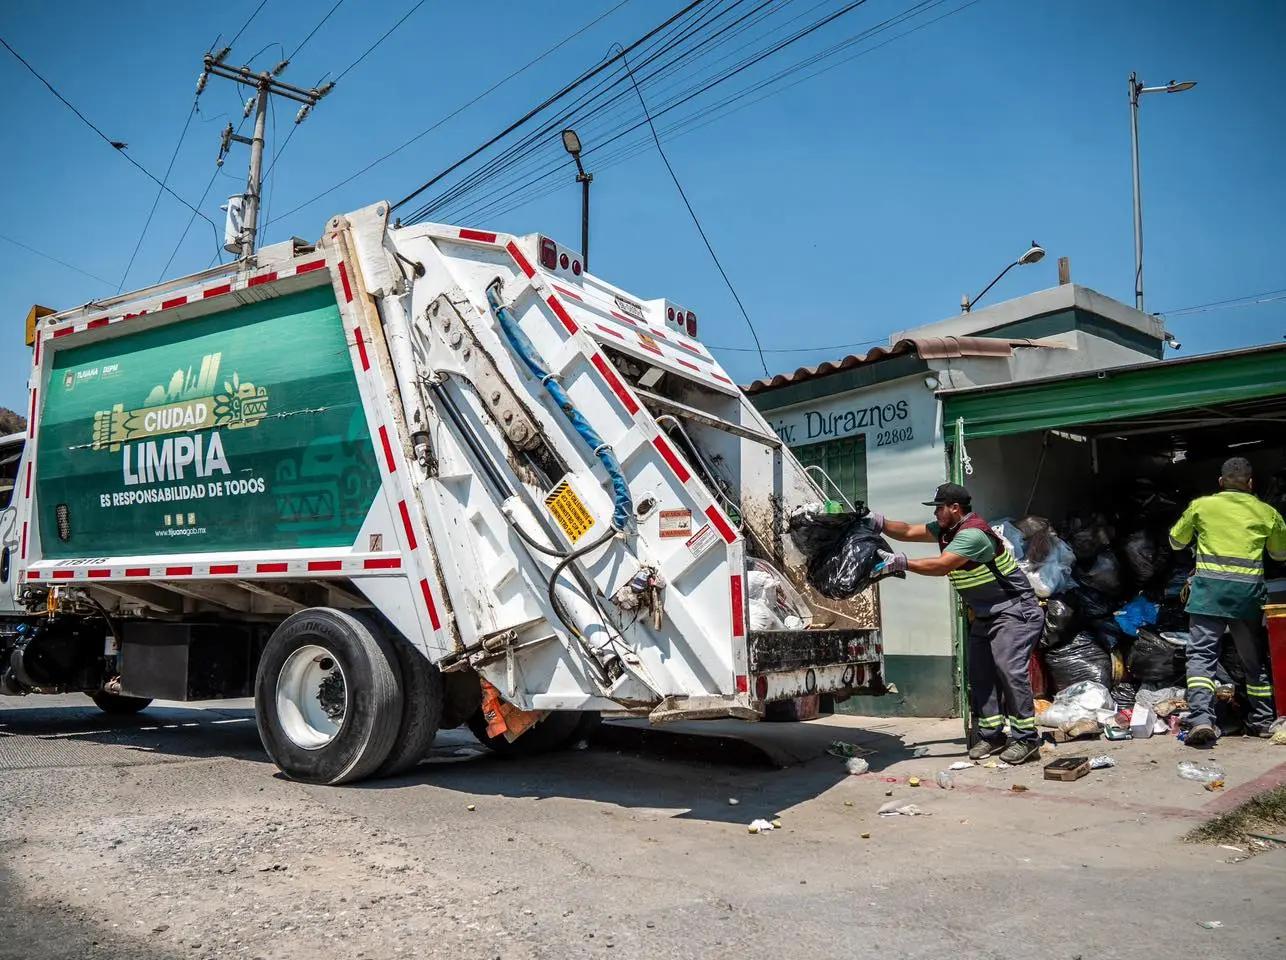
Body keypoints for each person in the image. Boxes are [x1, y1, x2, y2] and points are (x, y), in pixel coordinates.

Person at [868, 483, 1044, 764]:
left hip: (1014, 610)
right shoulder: (947, 529)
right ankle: (992, 735)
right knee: (981, 675)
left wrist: (902, 563)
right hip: (986, 614)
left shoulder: (971, 535)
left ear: (955, 508)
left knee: (1009, 670)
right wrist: (878, 521)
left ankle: (1027, 739)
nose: (935, 513)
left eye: (939, 508)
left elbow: (942, 566)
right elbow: (908, 531)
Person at [1168, 457, 1286, 746]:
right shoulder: (1267, 513)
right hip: (1247, 598)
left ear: (1220, 482)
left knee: (1201, 656)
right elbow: (1280, 555)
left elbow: (1175, 541)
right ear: (1251, 483)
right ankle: (1262, 721)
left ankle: (1202, 719)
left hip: (1208, 594)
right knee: (1253, 661)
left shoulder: (1201, 506)